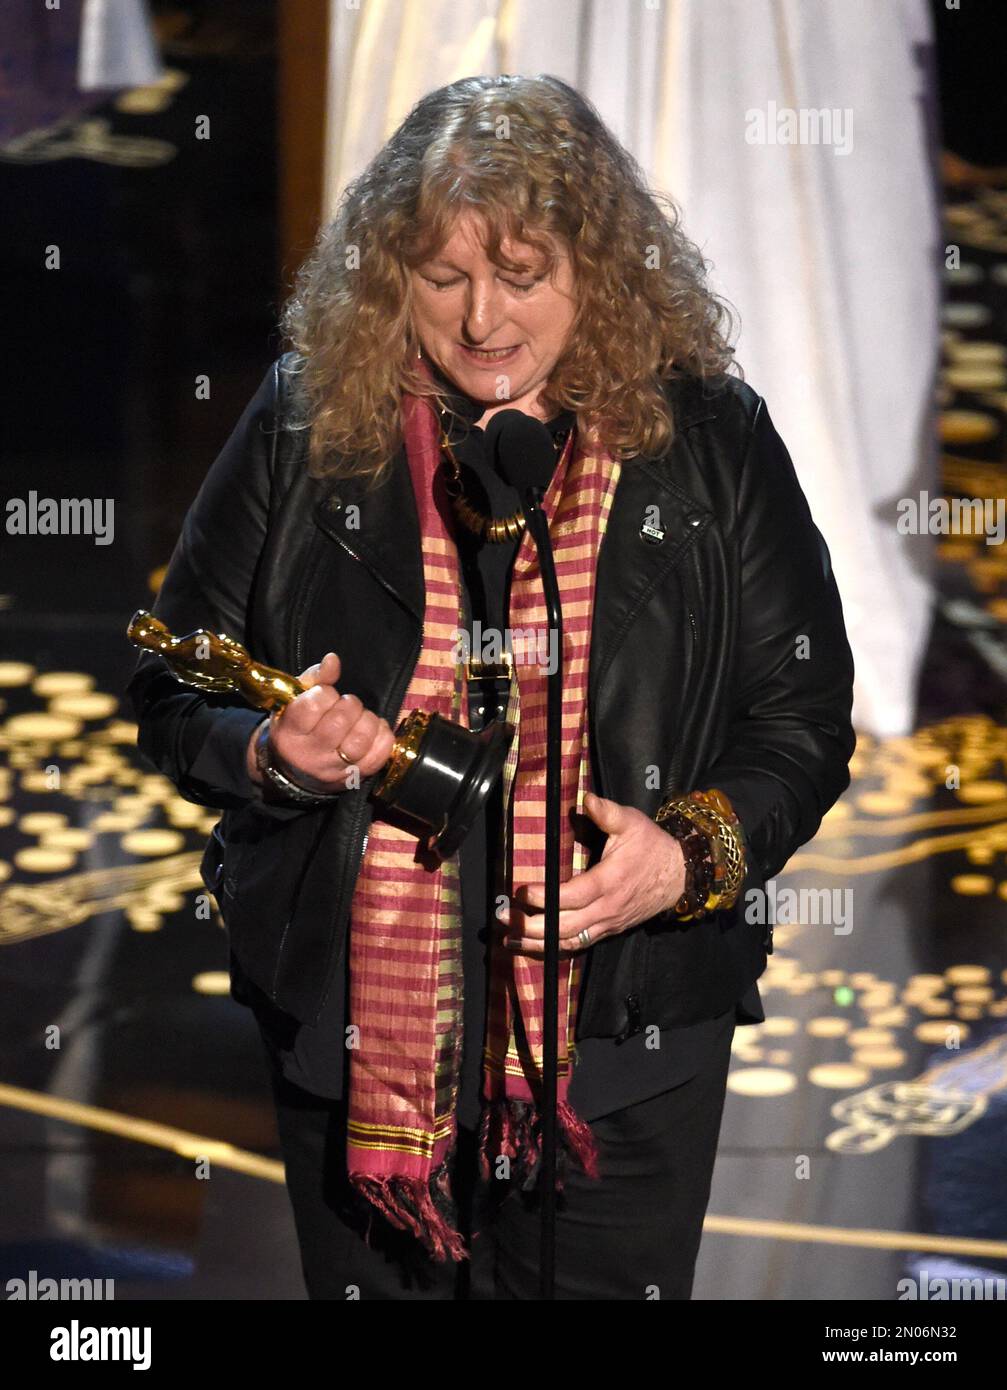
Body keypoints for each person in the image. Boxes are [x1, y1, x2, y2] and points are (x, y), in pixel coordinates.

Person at [128, 73, 856, 1300]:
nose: (479, 321)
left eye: (520, 276)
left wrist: (682, 858)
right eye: (442, 276)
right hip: (351, 1036)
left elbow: (799, 721)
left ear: (598, 272)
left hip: (627, 1045)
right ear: (386, 275)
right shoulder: (306, 422)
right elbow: (170, 675)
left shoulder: (712, 438)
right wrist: (268, 754)